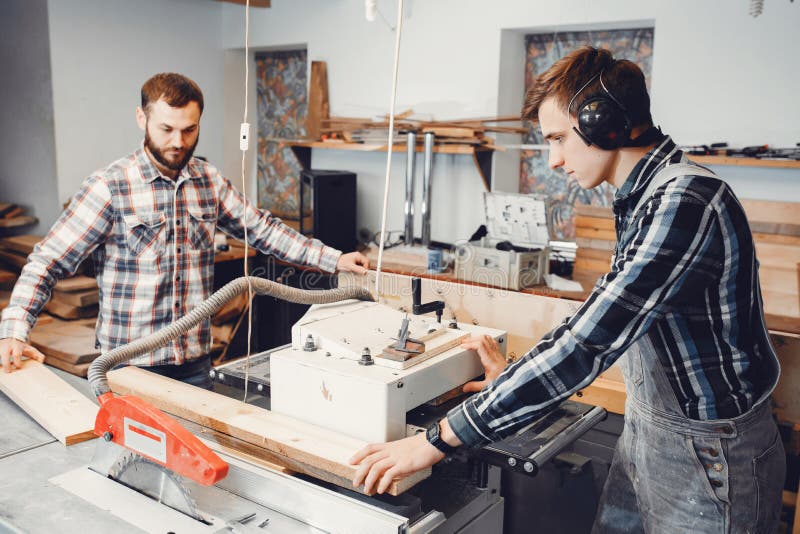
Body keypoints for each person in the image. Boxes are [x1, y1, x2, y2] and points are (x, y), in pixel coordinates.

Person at [350, 46, 785, 533]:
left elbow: (589, 342)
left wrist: (439, 438)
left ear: (606, 125)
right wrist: (518, 376)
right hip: (651, 435)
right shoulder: (646, 197)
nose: (554, 160)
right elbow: (599, 320)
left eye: (558, 138)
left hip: (708, 457)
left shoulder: (686, 204)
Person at [0, 73, 369, 386]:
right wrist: (15, 331)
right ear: (141, 119)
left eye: (189, 130)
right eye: (167, 129)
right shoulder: (109, 186)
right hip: (130, 366)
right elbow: (47, 261)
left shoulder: (207, 180)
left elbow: (262, 228)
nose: (178, 142)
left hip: (194, 362)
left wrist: (333, 259)